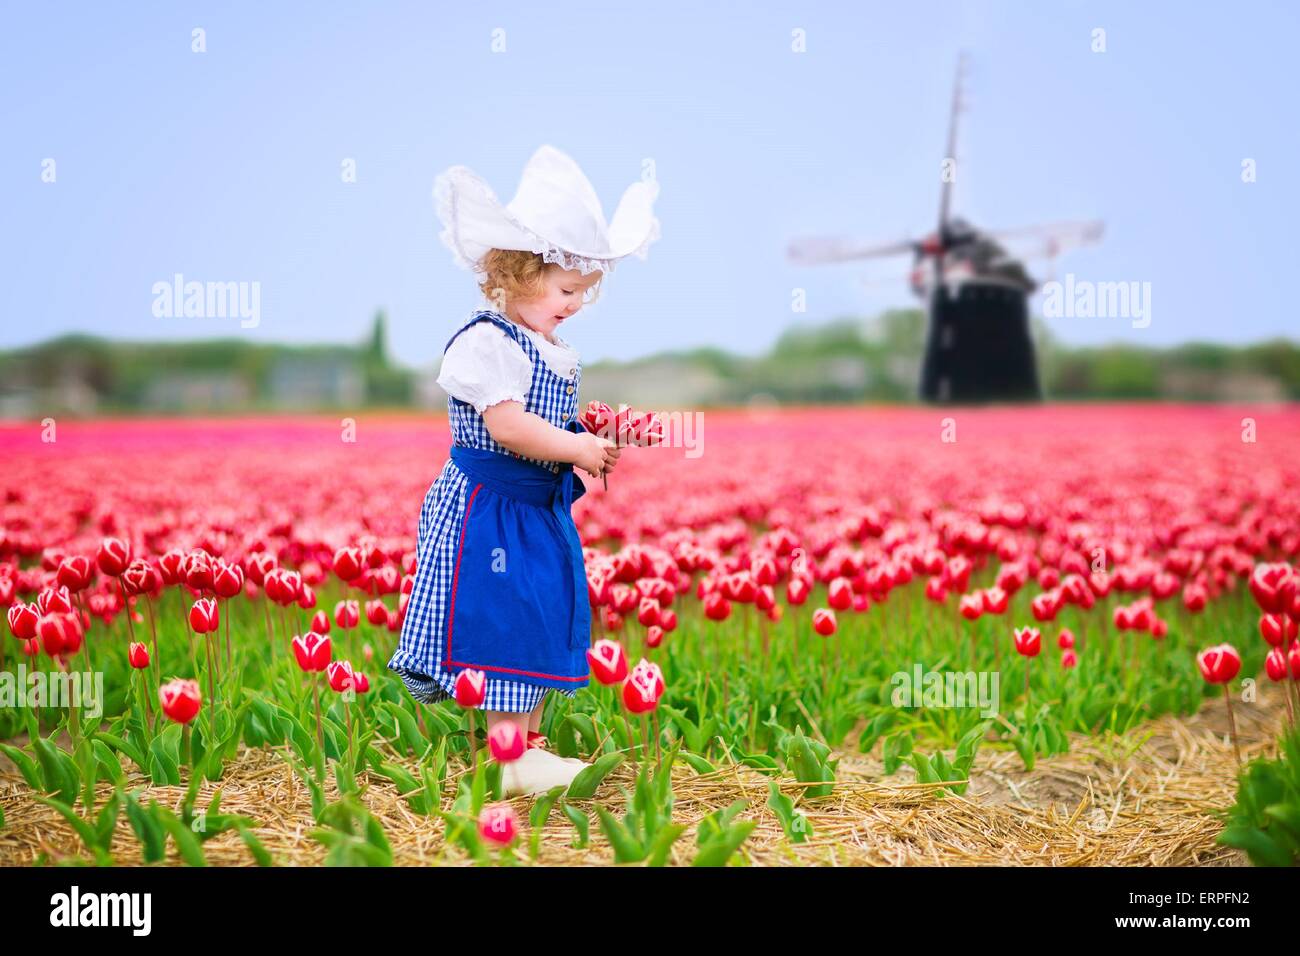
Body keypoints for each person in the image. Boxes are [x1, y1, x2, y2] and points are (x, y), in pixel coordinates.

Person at [387, 145, 660, 796]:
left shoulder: (548, 347)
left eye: (583, 293)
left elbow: (547, 424)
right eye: (568, 290)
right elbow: (507, 425)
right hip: (493, 512)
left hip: (534, 514)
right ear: (519, 273)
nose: (576, 304)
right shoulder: (488, 341)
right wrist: (576, 451)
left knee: (537, 624)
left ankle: (525, 749)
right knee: (505, 626)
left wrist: (596, 434)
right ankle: (509, 757)